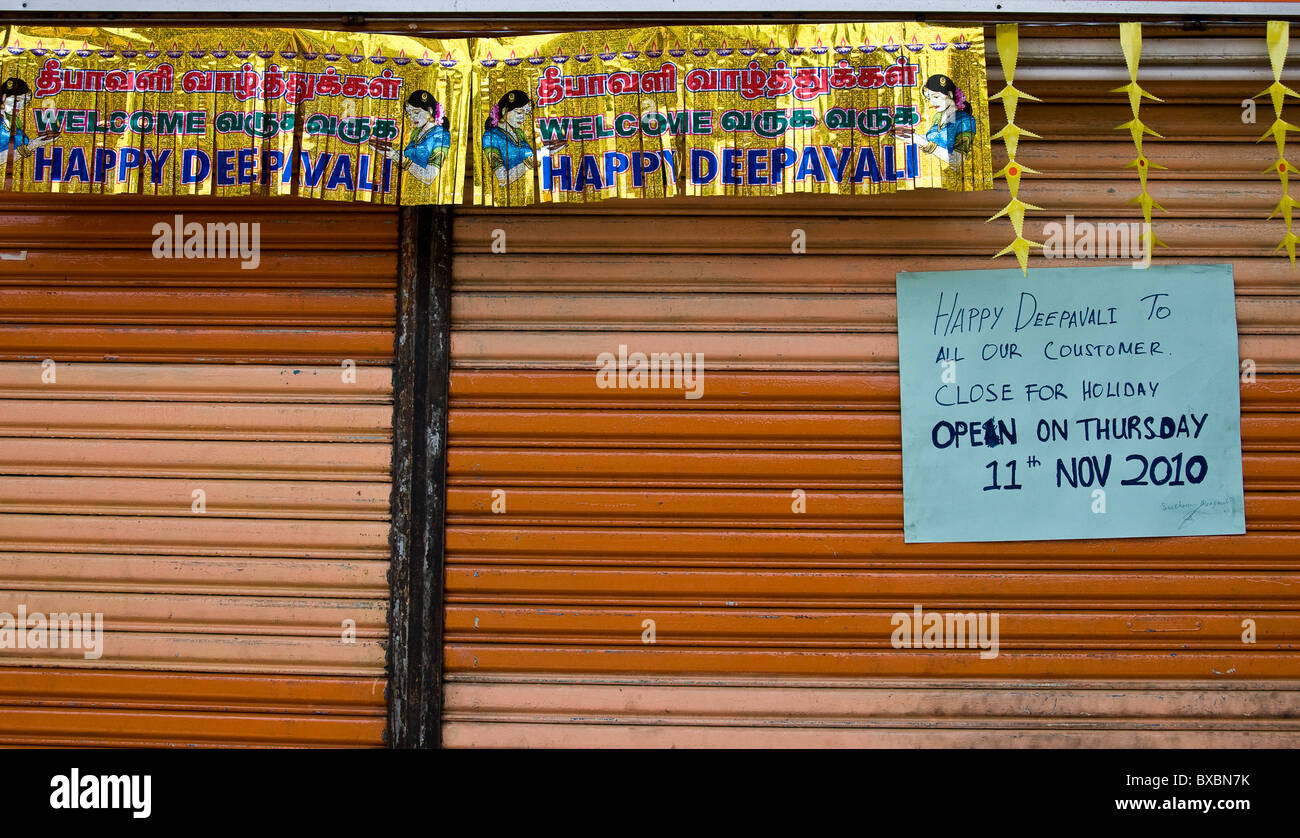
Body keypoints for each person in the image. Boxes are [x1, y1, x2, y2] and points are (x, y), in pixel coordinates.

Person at [481, 89, 563, 186]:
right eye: (519, 113)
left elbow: (530, 158)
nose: (524, 118)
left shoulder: (519, 132)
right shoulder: (490, 137)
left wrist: (546, 151)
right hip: (509, 195)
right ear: (504, 111)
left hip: (530, 188)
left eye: (526, 114)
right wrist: (536, 157)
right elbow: (502, 178)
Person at [379, 89, 451, 186]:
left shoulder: (441, 136)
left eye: (416, 113)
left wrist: (395, 156)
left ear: (429, 110)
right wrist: (389, 151)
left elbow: (429, 177)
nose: (412, 117)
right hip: (405, 186)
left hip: (424, 194)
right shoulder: (417, 131)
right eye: (410, 114)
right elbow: (409, 156)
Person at [916, 73, 977, 168]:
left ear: (950, 94)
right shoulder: (938, 117)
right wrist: (911, 136)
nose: (932, 102)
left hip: (950, 179)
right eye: (929, 98)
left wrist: (923, 143)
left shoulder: (965, 121)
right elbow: (936, 138)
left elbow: (958, 160)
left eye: (936, 97)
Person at [0, 78, 55, 165]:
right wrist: (31, 147)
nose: (20, 106)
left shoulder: (14, 122)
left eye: (24, 102)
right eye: (17, 100)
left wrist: (39, 141)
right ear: (3, 97)